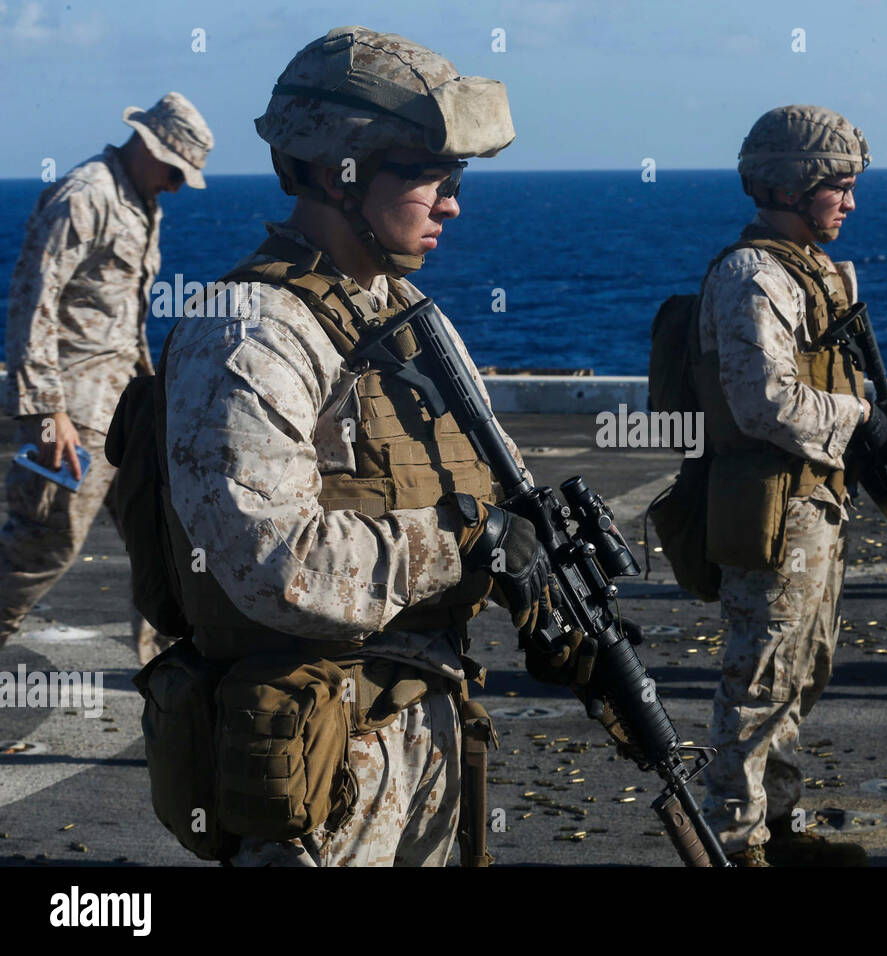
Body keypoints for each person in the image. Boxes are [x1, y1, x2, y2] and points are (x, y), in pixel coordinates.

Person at [158, 26, 552, 867]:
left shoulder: (407, 314)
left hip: (423, 724)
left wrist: (542, 571)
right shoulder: (250, 331)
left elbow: (491, 484)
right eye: (424, 176)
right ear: (340, 171)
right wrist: (463, 544)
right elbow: (273, 562)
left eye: (453, 178)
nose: (450, 203)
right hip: (320, 759)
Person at [696, 105, 887, 867]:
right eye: (838, 185)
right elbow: (765, 401)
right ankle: (734, 840)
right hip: (772, 503)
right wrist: (861, 416)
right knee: (760, 674)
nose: (849, 201)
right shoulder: (756, 274)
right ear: (794, 184)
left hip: (813, 498)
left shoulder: (813, 268)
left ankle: (775, 822)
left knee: (805, 668)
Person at [1, 92, 212, 665]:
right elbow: (31, 303)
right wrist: (46, 414)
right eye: (174, 170)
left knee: (161, 546)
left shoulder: (142, 198)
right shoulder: (85, 196)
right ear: (148, 147)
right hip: (71, 412)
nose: (175, 185)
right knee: (41, 545)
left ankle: (168, 693)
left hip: (125, 408)